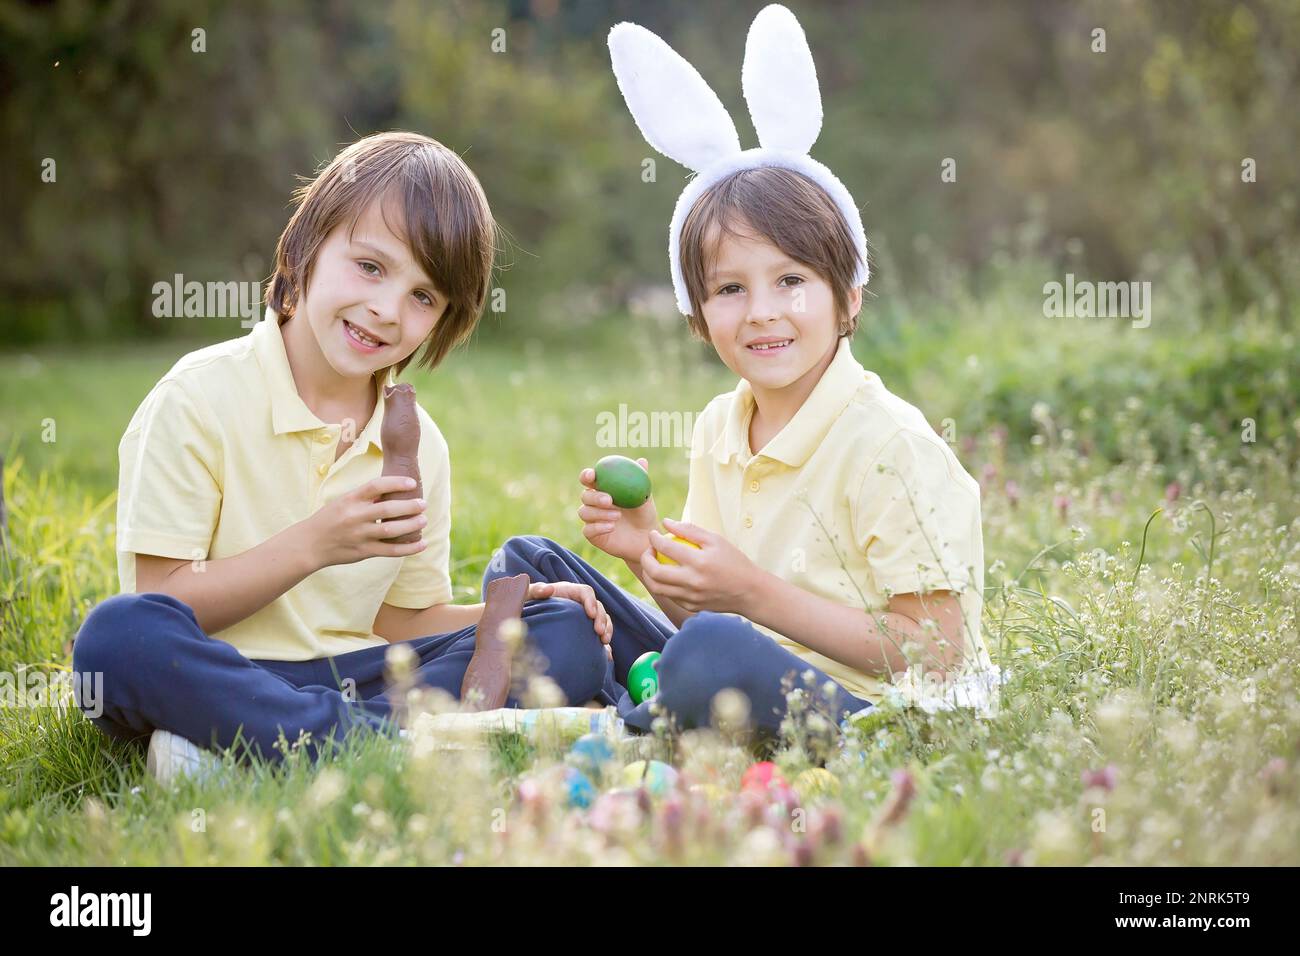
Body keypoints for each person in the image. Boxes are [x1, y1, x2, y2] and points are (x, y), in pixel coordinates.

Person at [490, 5, 998, 735]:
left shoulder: (890, 447)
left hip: (863, 710)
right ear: (696, 315)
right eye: (731, 289)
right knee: (532, 568)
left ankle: (624, 709)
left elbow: (938, 651)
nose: (762, 312)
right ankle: (629, 697)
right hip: (732, 658)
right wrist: (644, 550)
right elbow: (706, 611)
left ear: (848, 294)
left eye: (791, 281)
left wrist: (755, 596)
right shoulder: (721, 427)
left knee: (712, 653)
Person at [72, 132, 613, 778]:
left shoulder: (421, 445)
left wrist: (505, 615)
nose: (386, 310)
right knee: (115, 641)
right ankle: (379, 746)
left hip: (361, 677)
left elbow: (400, 620)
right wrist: (314, 544)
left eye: (423, 297)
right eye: (371, 267)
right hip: (225, 673)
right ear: (307, 246)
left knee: (565, 635)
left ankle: (247, 752)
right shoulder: (197, 399)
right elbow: (163, 600)